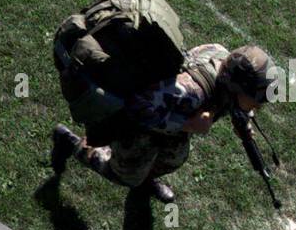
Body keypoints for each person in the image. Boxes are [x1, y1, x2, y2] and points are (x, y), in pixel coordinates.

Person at [52, 43, 275, 204]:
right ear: (235, 88)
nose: (259, 105)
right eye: (255, 99)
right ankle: (71, 143)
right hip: (142, 123)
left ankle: (145, 180)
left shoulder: (226, 63)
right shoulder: (189, 92)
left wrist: (242, 120)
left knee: (174, 157)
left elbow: (232, 101)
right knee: (124, 176)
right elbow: (135, 110)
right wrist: (188, 124)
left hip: (172, 118)